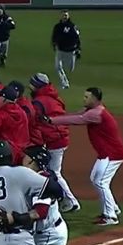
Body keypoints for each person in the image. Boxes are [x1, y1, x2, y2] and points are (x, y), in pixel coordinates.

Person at [47, 87, 123, 225]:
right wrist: (54, 119)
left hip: (112, 154)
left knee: (100, 182)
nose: (84, 99)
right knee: (96, 179)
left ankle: (111, 216)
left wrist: (51, 121)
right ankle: (112, 208)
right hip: (106, 154)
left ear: (95, 99)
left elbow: (76, 119)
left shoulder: (96, 114)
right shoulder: (93, 111)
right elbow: (74, 116)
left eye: (87, 97)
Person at [29, 73, 79, 212]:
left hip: (54, 139)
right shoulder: (55, 97)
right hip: (61, 136)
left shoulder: (39, 101)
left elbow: (36, 122)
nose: (30, 86)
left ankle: (71, 201)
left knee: (55, 172)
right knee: (52, 170)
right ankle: (64, 199)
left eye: (32, 83)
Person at [51, 10, 81, 89]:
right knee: (58, 67)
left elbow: (77, 37)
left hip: (71, 50)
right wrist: (54, 44)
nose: (64, 17)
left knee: (71, 68)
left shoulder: (72, 26)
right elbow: (54, 36)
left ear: (68, 16)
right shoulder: (57, 26)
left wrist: (78, 48)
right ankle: (65, 83)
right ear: (61, 16)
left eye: (66, 15)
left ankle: (74, 58)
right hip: (60, 50)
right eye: (63, 15)